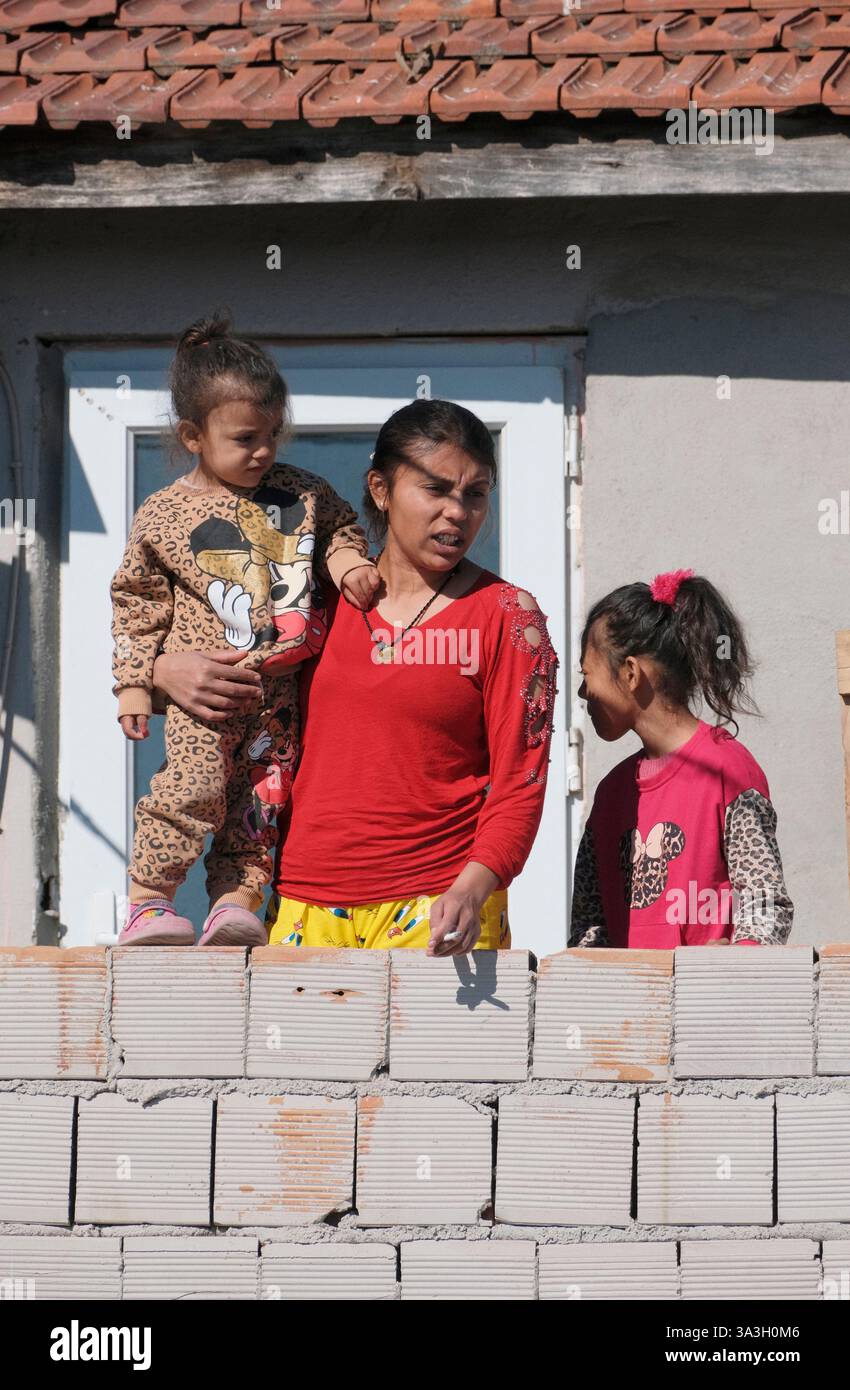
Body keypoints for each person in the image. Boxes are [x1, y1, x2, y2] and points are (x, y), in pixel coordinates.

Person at [152, 398, 560, 956]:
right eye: (436, 489)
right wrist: (162, 671)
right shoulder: (308, 599)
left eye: (476, 493)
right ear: (380, 490)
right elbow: (225, 671)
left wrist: (475, 885)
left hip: (442, 906)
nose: (458, 512)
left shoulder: (510, 618)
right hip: (302, 903)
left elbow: (521, 782)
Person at [110, 314, 378, 948]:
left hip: (279, 697)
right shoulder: (165, 513)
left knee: (262, 803)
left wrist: (349, 565)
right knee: (193, 788)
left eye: (272, 435)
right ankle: (149, 900)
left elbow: (339, 530)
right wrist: (133, 685)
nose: (263, 452)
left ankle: (236, 904)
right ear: (192, 435)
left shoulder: (302, 492)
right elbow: (136, 601)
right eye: (245, 438)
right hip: (207, 692)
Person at [569, 568, 793, 949]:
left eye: (587, 673)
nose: (582, 691)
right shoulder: (610, 795)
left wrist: (735, 961)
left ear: (630, 673)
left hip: (709, 1005)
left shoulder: (729, 771)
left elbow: (764, 905)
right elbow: (589, 926)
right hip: (629, 1005)